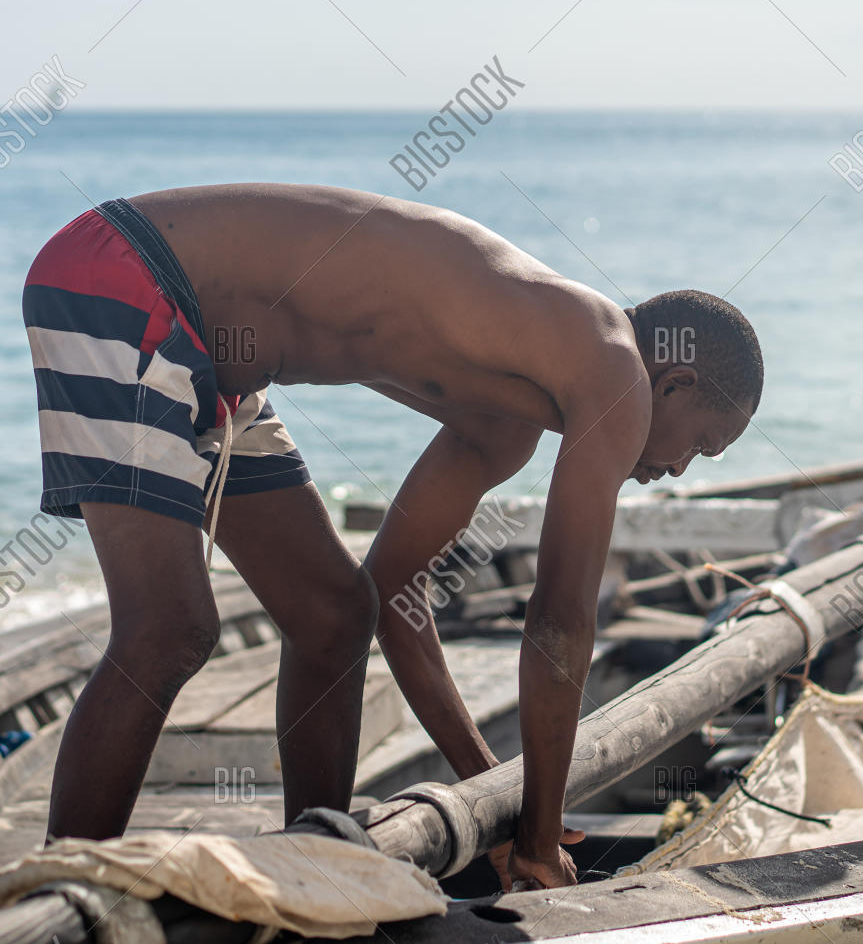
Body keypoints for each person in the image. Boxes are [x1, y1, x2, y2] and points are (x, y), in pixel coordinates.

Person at [24, 183, 762, 889]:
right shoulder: (616, 367)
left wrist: (495, 797)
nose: (675, 471)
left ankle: (315, 877)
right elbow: (561, 619)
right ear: (675, 383)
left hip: (220, 372)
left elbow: (395, 597)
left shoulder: (511, 422)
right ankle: (64, 920)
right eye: (700, 445)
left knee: (336, 613)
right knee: (169, 627)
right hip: (129, 279)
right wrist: (540, 841)